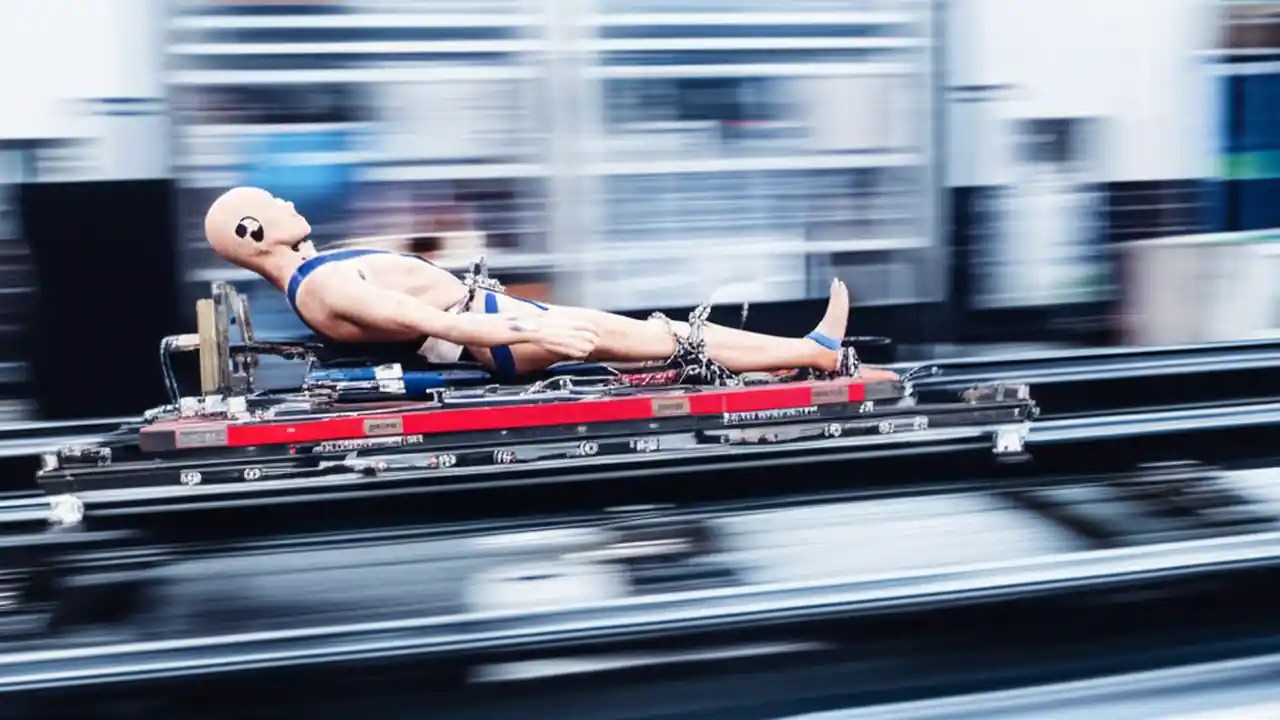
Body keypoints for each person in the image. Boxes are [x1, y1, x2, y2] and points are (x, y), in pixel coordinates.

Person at [203, 187, 898, 381]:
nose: (288, 204)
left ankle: (811, 348)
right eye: (270, 204)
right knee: (671, 340)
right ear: (254, 236)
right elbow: (440, 325)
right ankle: (813, 351)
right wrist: (537, 328)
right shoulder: (322, 289)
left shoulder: (318, 274)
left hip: (503, 318)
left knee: (669, 337)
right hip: (501, 335)